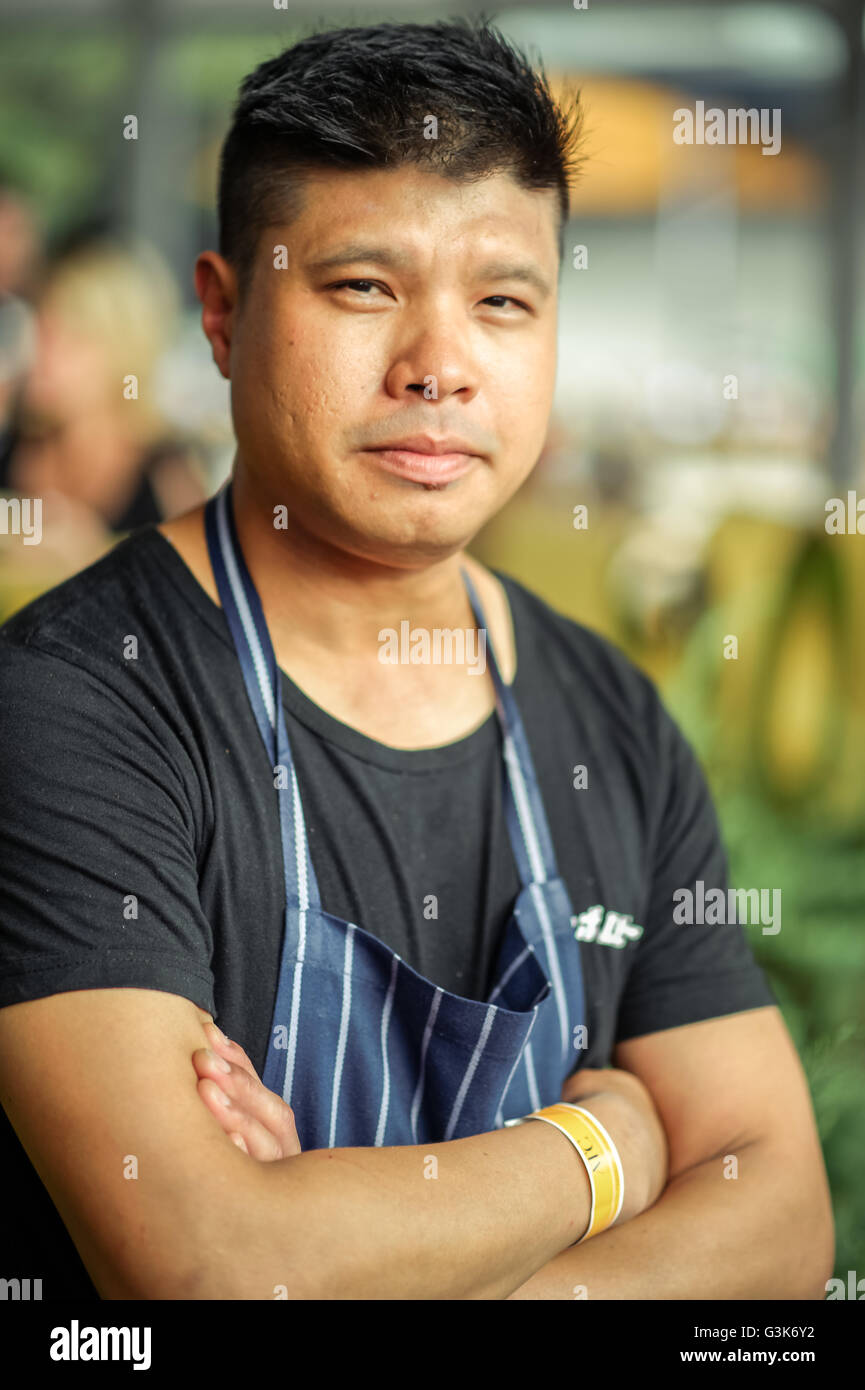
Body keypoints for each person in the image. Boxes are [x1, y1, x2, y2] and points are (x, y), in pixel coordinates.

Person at [0, 19, 833, 1301]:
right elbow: (210, 1263)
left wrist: (369, 1257)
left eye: (503, 301)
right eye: (363, 288)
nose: (439, 366)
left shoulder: (610, 718)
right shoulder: (73, 703)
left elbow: (775, 1219)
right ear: (222, 315)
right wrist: (603, 1154)